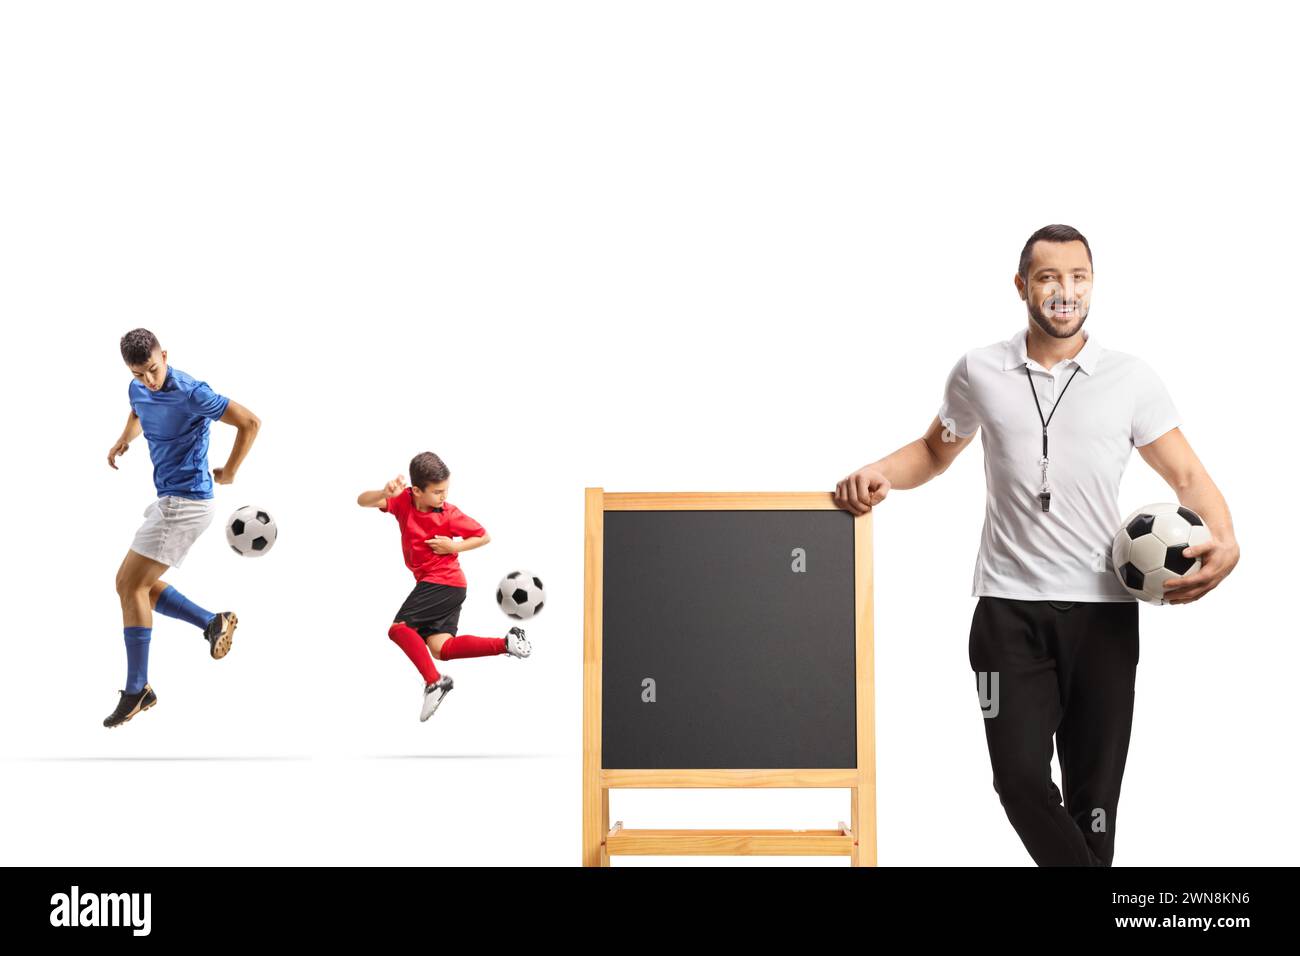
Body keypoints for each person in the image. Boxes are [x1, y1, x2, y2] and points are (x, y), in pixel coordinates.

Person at [833, 224, 1239, 865]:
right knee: (1019, 781)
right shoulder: (979, 370)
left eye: (1078, 277)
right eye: (1049, 277)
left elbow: (1188, 477)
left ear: (1092, 286)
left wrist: (1227, 539)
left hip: (1105, 613)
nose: (1064, 291)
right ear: (1023, 286)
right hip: (1007, 611)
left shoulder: (1131, 379)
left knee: (1095, 809)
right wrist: (879, 471)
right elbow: (934, 451)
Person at [105, 328, 262, 727]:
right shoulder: (137, 387)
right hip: (168, 499)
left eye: (154, 370)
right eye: (139, 374)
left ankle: (137, 689)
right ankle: (213, 622)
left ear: (165, 356)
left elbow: (250, 422)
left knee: (129, 586)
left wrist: (229, 471)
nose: (149, 381)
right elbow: (138, 409)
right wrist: (125, 438)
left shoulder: (192, 391)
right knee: (137, 586)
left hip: (187, 501)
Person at [357, 451, 530, 722]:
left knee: (399, 629)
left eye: (446, 490)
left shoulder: (448, 514)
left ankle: (434, 683)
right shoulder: (403, 502)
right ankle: (507, 643)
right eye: (437, 492)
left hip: (443, 582)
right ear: (416, 490)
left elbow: (483, 536)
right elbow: (362, 501)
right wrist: (383, 490)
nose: (443, 496)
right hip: (446, 586)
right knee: (441, 649)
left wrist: (454, 546)